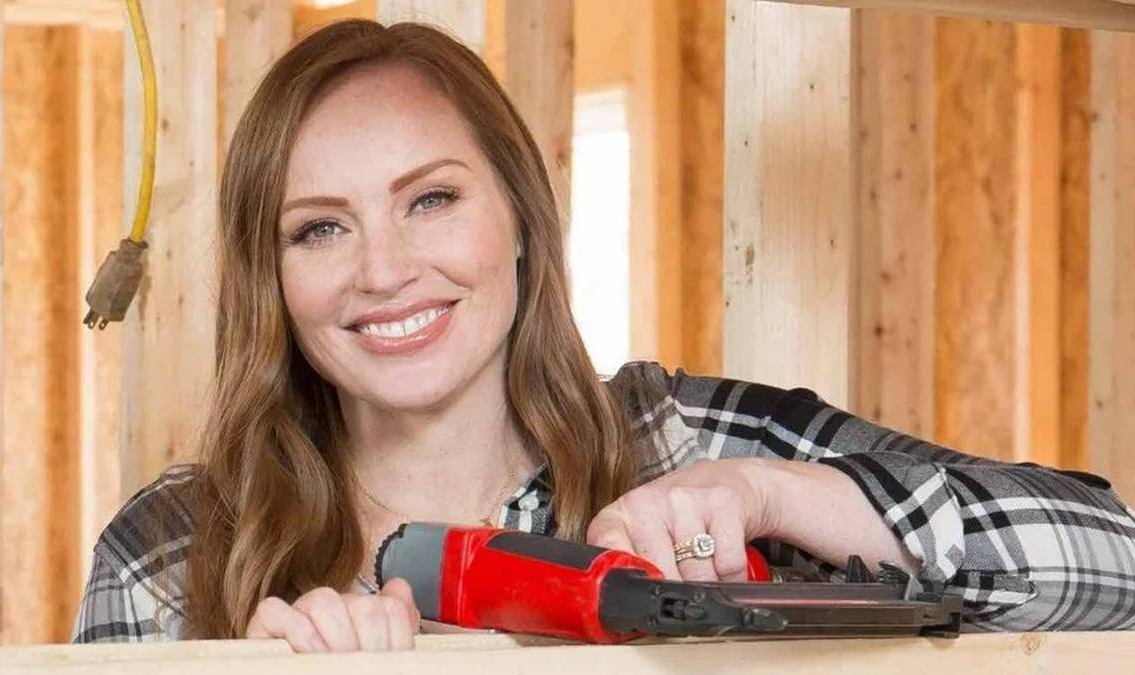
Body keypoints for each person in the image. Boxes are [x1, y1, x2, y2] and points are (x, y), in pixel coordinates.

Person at [71, 18, 1135, 650]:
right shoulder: (171, 554)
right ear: (271, 276)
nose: (382, 270)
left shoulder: (686, 441)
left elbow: (1116, 557)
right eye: (320, 228)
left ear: (523, 220)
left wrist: (778, 496)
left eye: (431, 199)